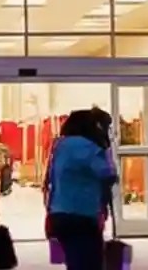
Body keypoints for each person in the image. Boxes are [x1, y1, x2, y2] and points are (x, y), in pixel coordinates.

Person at [46, 110, 116, 270]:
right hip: (83, 212)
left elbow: (52, 178)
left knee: (74, 259)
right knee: (89, 261)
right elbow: (107, 174)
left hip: (60, 211)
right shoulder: (88, 147)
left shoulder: (60, 145)